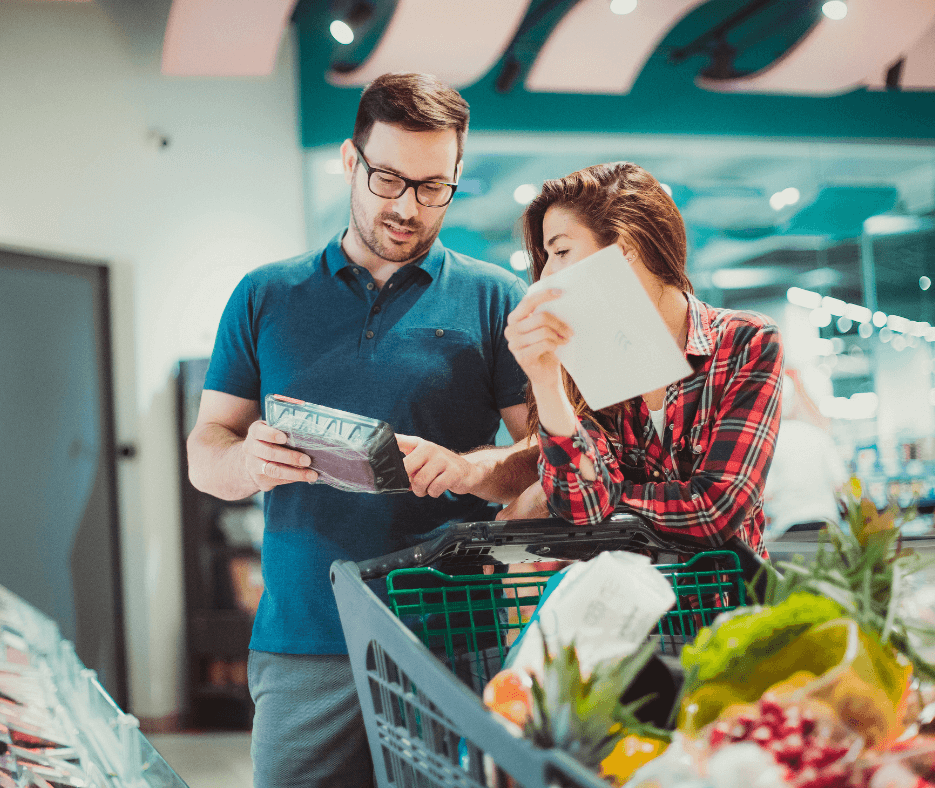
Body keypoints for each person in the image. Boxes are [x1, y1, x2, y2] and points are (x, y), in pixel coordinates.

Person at [186, 72, 538, 788]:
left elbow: (549, 456)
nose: (407, 207)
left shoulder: (497, 298)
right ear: (350, 160)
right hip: (304, 640)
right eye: (388, 179)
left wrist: (472, 470)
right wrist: (247, 461)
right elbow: (207, 446)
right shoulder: (265, 295)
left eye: (433, 187)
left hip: (451, 640)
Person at [503, 162, 783, 556]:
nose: (546, 275)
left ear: (625, 247)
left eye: (561, 251)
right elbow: (582, 506)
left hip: (727, 593)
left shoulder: (744, 341)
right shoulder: (580, 367)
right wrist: (546, 383)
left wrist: (598, 500)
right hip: (627, 594)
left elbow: (714, 511)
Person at [762, 370, 849, 538]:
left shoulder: (769, 443)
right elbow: (840, 484)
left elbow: (767, 493)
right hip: (826, 523)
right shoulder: (820, 436)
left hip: (789, 526)